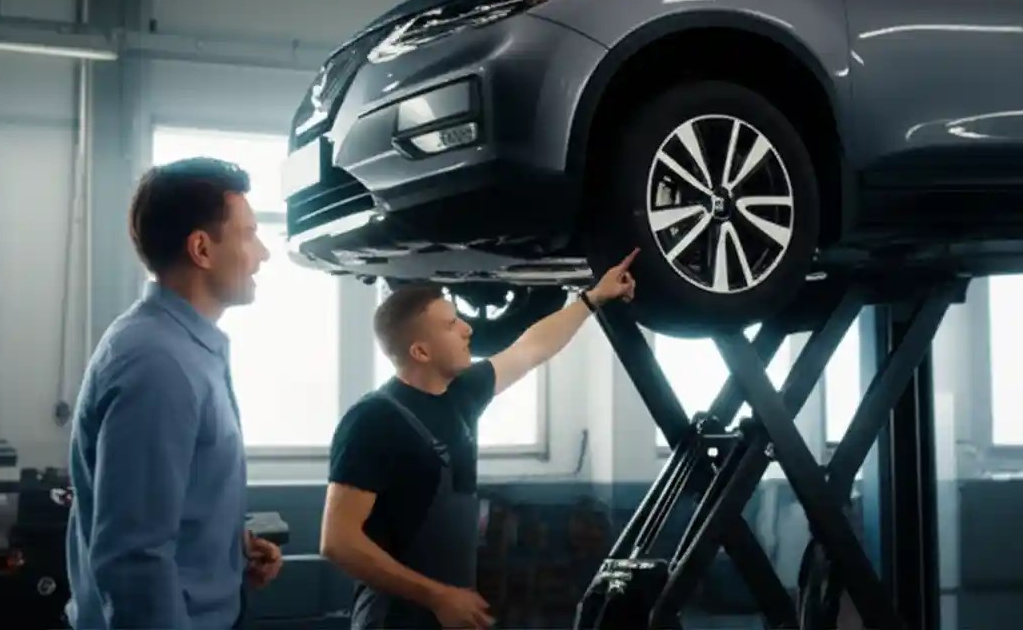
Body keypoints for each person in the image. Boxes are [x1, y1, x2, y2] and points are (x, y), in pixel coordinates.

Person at [320, 249, 640, 629]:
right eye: (451, 324)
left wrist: (593, 298)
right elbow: (338, 542)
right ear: (420, 351)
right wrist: (437, 596)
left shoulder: (464, 393)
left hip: (452, 616)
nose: (468, 329)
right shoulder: (372, 420)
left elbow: (531, 347)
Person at [64, 157, 284, 630]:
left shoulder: (184, 347)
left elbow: (165, 505)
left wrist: (228, 548)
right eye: (248, 234)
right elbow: (133, 557)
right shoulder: (158, 364)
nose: (263, 253)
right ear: (202, 248)